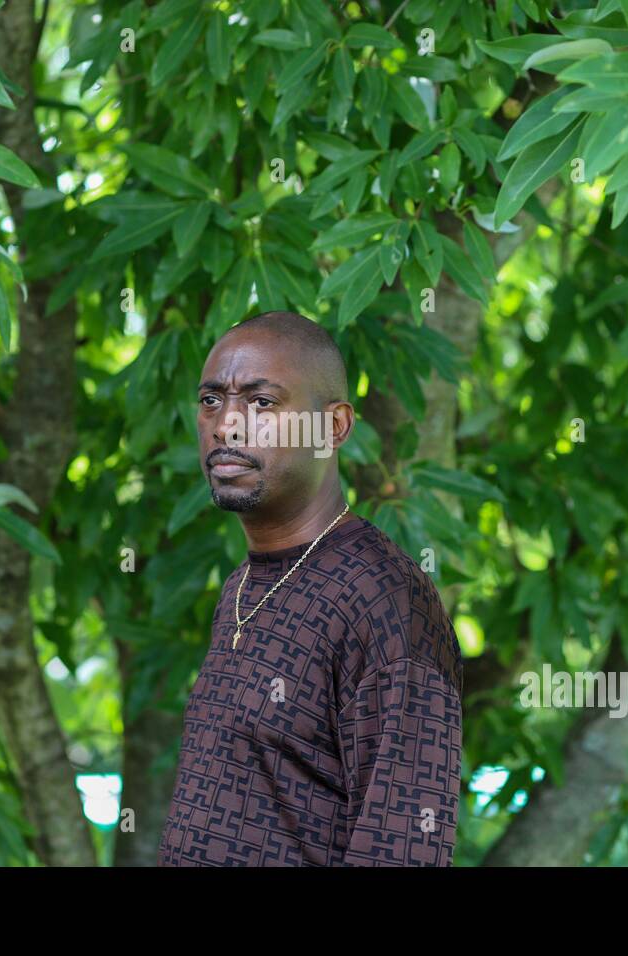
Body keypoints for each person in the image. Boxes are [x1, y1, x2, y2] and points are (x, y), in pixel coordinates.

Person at [156, 310, 464, 866]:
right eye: (211, 401)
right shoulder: (241, 588)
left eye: (262, 402)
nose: (227, 424)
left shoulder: (385, 599)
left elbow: (404, 850)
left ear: (335, 426)